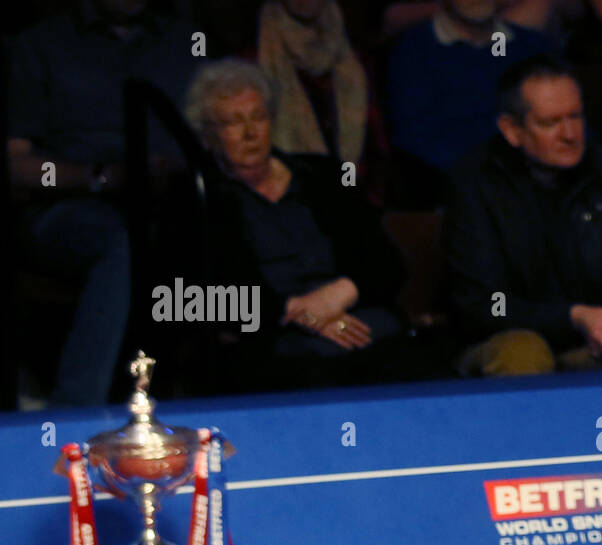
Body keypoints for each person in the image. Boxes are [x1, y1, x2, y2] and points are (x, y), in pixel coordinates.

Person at [444, 54, 602, 375]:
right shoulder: (474, 184)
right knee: (524, 352)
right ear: (512, 130)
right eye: (550, 123)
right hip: (508, 339)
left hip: (599, 341)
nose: (570, 134)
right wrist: (575, 318)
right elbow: (482, 306)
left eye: (575, 117)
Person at [7, 0, 201, 406]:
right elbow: (16, 164)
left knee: (230, 227)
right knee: (123, 242)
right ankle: (76, 410)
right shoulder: (39, 45)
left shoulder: (188, 40)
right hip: (70, 207)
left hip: (178, 202)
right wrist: (101, 176)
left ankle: (247, 406)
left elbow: (217, 124)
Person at [184, 60, 407, 387]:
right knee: (312, 363)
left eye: (258, 117)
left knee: (392, 350)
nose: (250, 133)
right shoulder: (195, 198)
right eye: (232, 122)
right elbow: (191, 298)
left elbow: (389, 265)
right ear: (207, 136)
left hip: (354, 315)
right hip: (266, 334)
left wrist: (336, 296)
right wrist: (296, 312)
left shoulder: (324, 176)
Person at [385, 0, 554, 207]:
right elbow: (413, 142)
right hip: (454, 197)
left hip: (539, 190)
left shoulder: (534, 47)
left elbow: (568, 123)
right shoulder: (413, 50)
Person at [254, 0, 389, 206]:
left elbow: (376, 150)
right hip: (287, 206)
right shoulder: (253, 62)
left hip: (355, 204)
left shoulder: (356, 62)